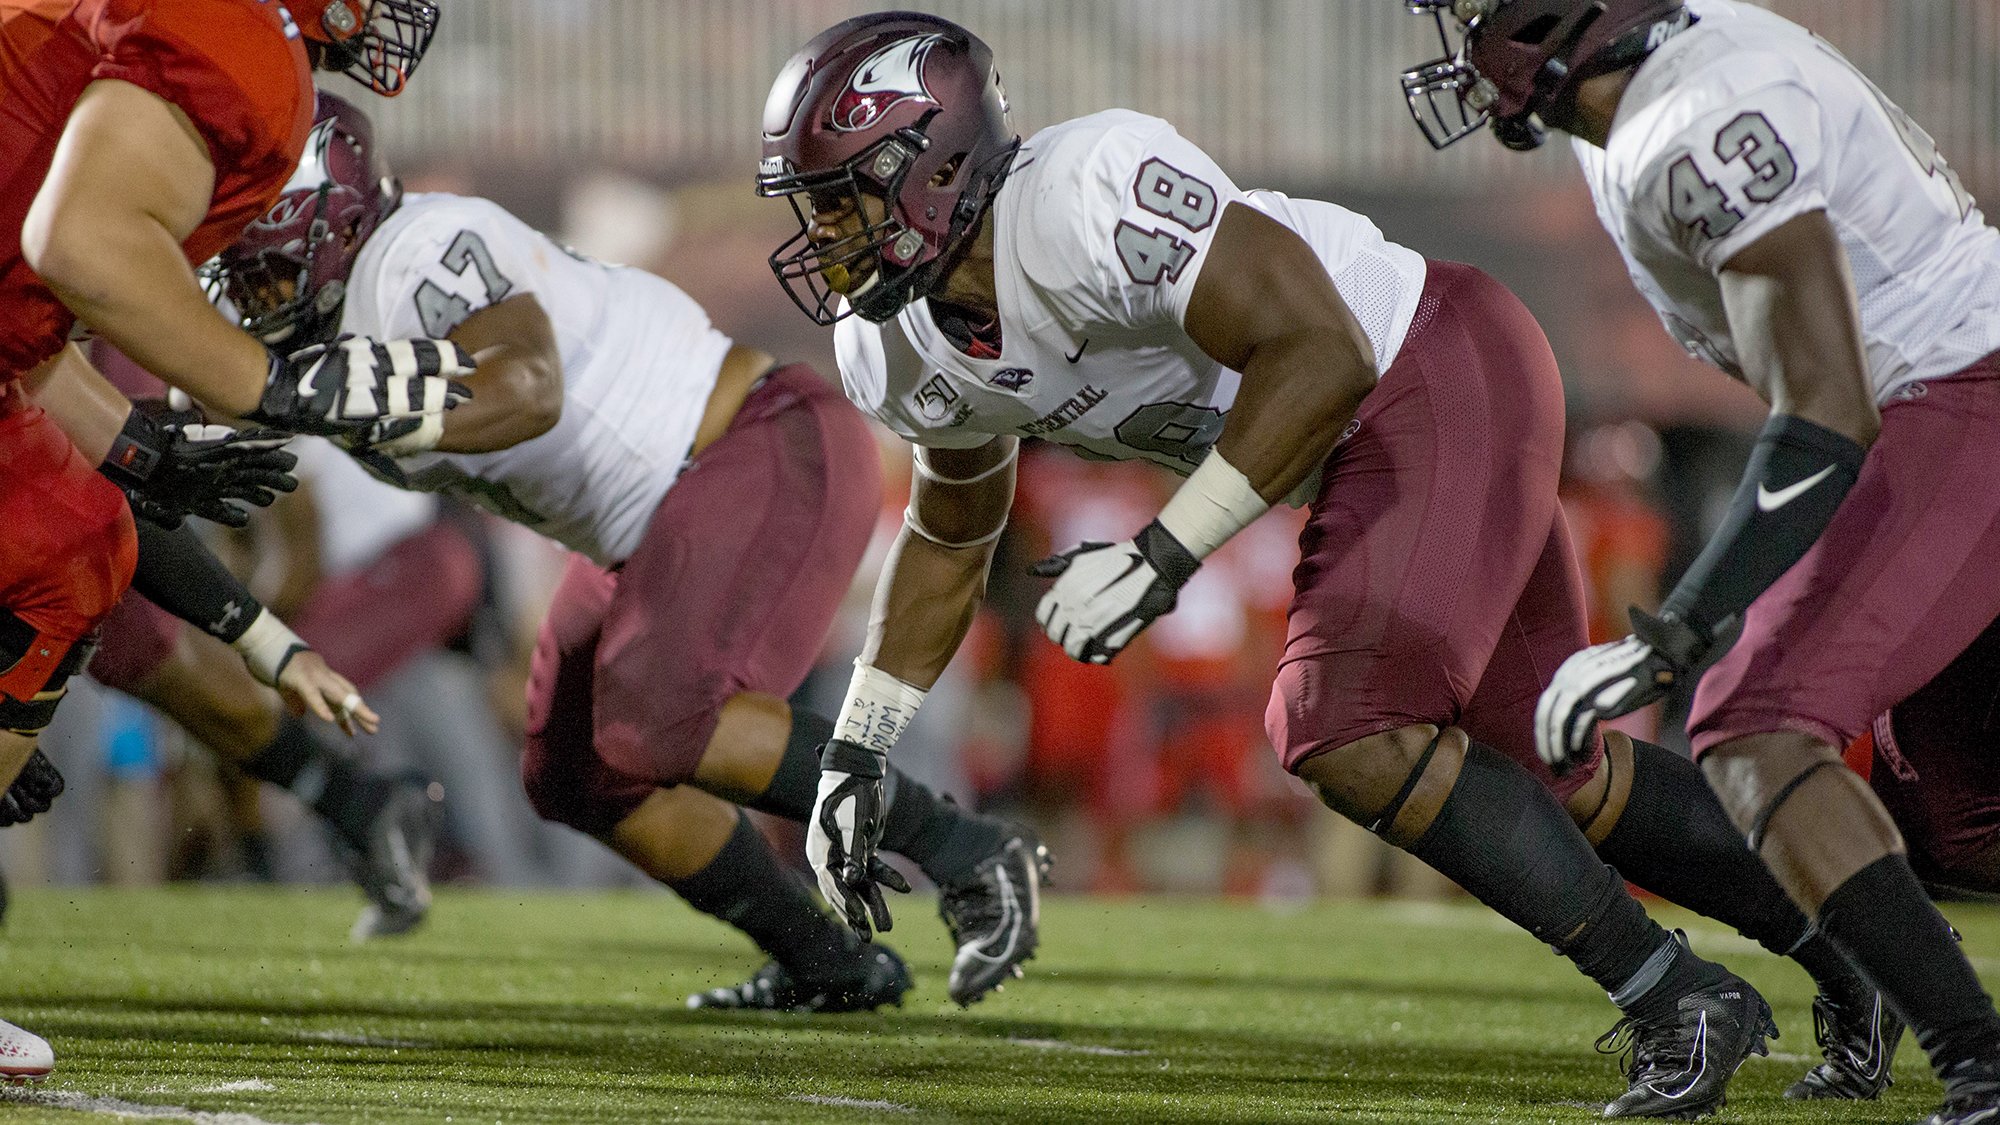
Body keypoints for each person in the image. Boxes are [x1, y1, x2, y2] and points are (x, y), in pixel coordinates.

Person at [757, 12, 1900, 1115]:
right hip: (1368, 440)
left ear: (938, 164)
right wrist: (858, 749)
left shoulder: (1078, 195)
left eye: (843, 201)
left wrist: (1160, 556)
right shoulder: (890, 347)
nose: (826, 240)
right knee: (1551, 769)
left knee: (1336, 719)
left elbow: (1320, 351)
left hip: (1426, 360)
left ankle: (1673, 997)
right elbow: (953, 528)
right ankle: (1869, 953)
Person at [205, 90, 1049, 1011]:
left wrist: (318, 399)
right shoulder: (335, 310)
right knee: (574, 773)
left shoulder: (413, 253)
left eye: (260, 263)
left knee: (662, 722)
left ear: (325, 222)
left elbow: (526, 385)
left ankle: (967, 848)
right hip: (649, 518)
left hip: (754, 446)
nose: (248, 291)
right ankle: (827, 961)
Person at [1401, 0, 2000, 1118]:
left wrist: (1669, 638)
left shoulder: (1694, 116)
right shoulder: (1657, 92)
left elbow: (1822, 411)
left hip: (1960, 392)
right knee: (1957, 816)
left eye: (1470, 16)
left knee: (1752, 720)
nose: (1456, 47)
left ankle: (1980, 1067)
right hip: (1936, 400)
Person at [0, 0, 461, 1072]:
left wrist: (138, 448)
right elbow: (72, 243)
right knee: (71, 551)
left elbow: (29, 314)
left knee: (76, 543)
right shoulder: (248, 51)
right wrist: (270, 381)